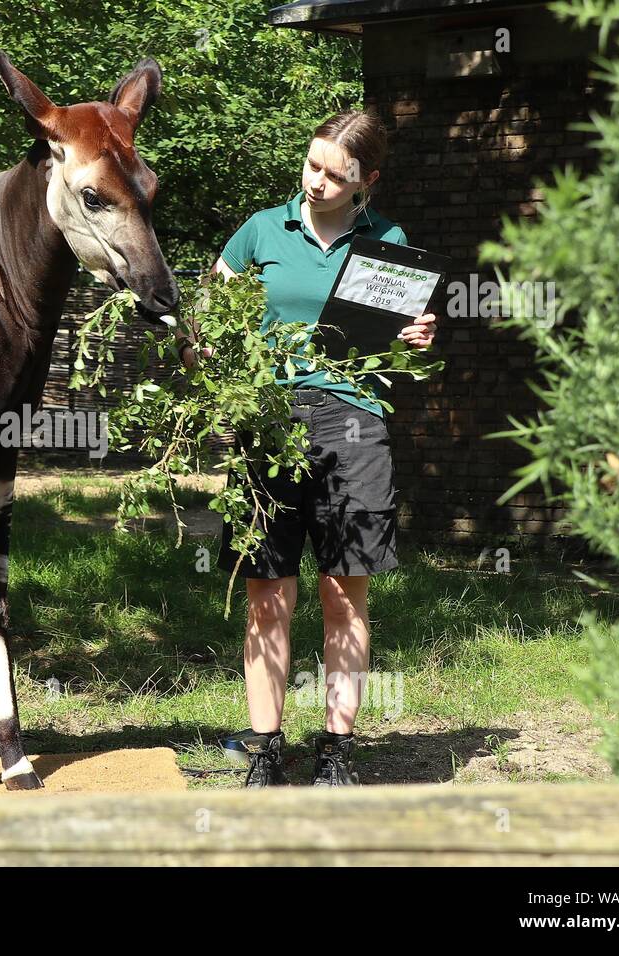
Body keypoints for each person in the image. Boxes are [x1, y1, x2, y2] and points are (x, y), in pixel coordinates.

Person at [180, 111, 438, 787]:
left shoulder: (389, 242)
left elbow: (391, 341)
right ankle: (266, 751)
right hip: (270, 424)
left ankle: (335, 754)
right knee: (268, 588)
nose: (318, 182)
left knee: (343, 591)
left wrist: (415, 338)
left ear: (368, 181)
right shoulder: (262, 230)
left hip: (354, 426)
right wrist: (203, 352)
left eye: (336, 174)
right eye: (312, 165)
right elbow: (205, 319)